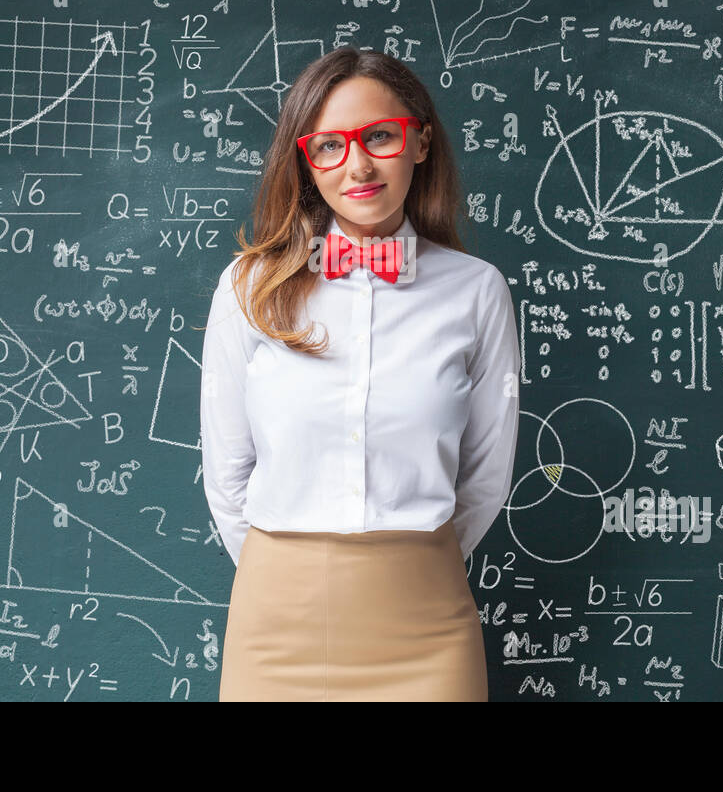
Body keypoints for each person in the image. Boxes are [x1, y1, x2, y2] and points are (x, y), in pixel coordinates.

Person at [199, 46, 521, 701]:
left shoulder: (477, 291)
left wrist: (410, 562)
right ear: (306, 162)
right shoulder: (246, 288)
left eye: (379, 135)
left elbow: (486, 476)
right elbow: (228, 476)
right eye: (330, 147)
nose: (359, 165)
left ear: (420, 141)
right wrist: (286, 572)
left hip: (425, 627)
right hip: (276, 630)